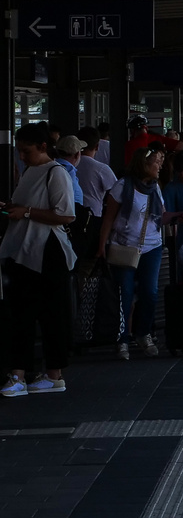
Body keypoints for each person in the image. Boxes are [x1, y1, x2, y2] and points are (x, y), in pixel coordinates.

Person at [1, 124, 78, 397]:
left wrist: (25, 212)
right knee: (21, 313)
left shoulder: (56, 173)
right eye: (20, 151)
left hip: (47, 250)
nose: (22, 156)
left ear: (43, 147)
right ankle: (19, 373)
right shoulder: (31, 171)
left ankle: (52, 373)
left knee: (51, 314)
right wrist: (16, 209)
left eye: (27, 151)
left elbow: (66, 215)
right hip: (24, 248)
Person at [98, 147, 168, 358]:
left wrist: (175, 217)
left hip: (152, 246)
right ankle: (122, 339)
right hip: (124, 246)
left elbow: (161, 215)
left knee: (150, 292)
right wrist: (102, 245)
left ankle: (143, 333)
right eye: (157, 162)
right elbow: (108, 218)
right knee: (125, 294)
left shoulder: (155, 187)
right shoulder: (122, 186)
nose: (160, 166)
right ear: (144, 164)